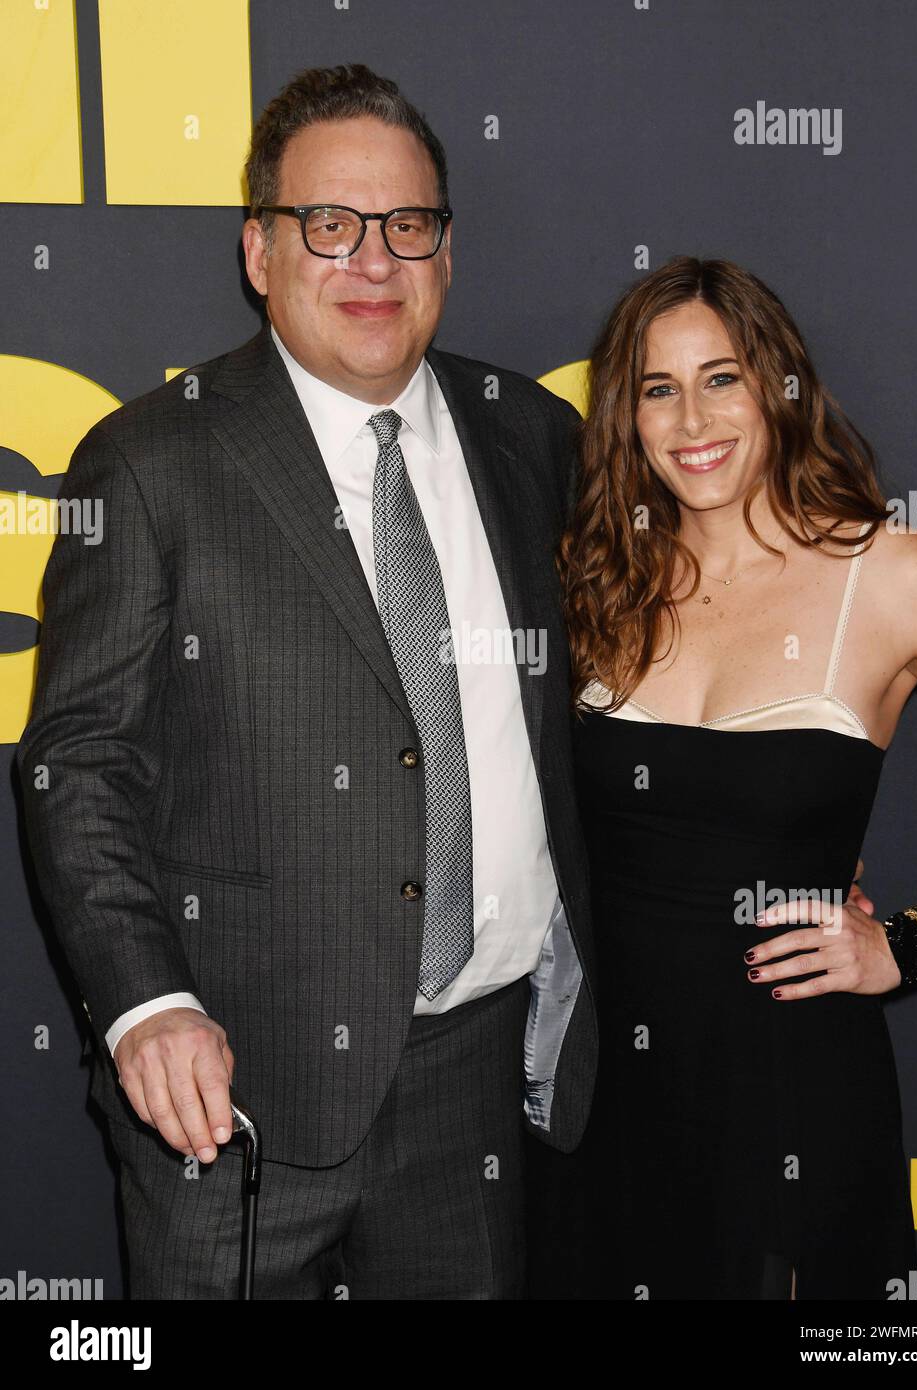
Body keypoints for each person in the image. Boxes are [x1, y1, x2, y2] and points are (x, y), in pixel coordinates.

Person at [16, 64, 597, 1300]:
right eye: (328, 226)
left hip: (473, 1086)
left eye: (408, 226)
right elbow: (77, 762)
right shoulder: (149, 461)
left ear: (446, 250)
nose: (372, 262)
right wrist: (144, 1006)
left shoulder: (533, 440)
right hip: (231, 1095)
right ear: (259, 251)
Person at [525, 256, 917, 1300]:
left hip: (790, 1086)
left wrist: (910, 942)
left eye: (721, 377)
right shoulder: (594, 577)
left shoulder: (888, 575)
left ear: (779, 386)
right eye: (657, 387)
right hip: (602, 1088)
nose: (692, 417)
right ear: (625, 417)